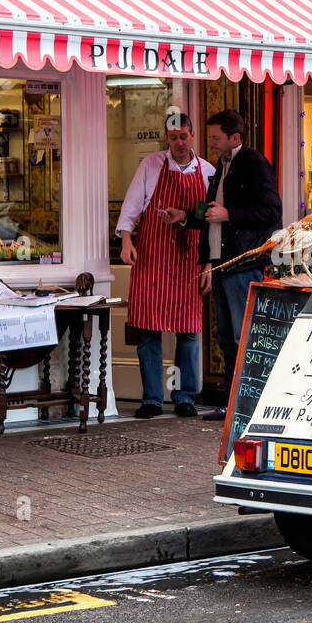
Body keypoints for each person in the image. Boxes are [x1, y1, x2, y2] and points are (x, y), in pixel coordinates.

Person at [181, 109, 281, 421]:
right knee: (226, 337)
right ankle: (231, 405)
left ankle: (246, 405)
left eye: (215, 137)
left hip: (243, 264)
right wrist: (184, 217)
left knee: (241, 337)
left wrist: (230, 215)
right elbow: (211, 212)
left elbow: (272, 212)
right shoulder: (222, 166)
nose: (210, 142)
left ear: (234, 138)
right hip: (223, 264)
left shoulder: (253, 163)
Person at [116, 114, 214, 418]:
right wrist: (126, 241)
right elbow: (131, 206)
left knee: (187, 333)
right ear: (166, 139)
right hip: (152, 257)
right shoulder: (151, 166)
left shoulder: (208, 172)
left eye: (184, 136)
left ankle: (184, 396)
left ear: (193, 134)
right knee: (147, 330)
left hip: (189, 261)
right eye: (174, 138)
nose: (179, 143)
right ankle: (152, 399)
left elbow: (210, 224)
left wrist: (209, 263)